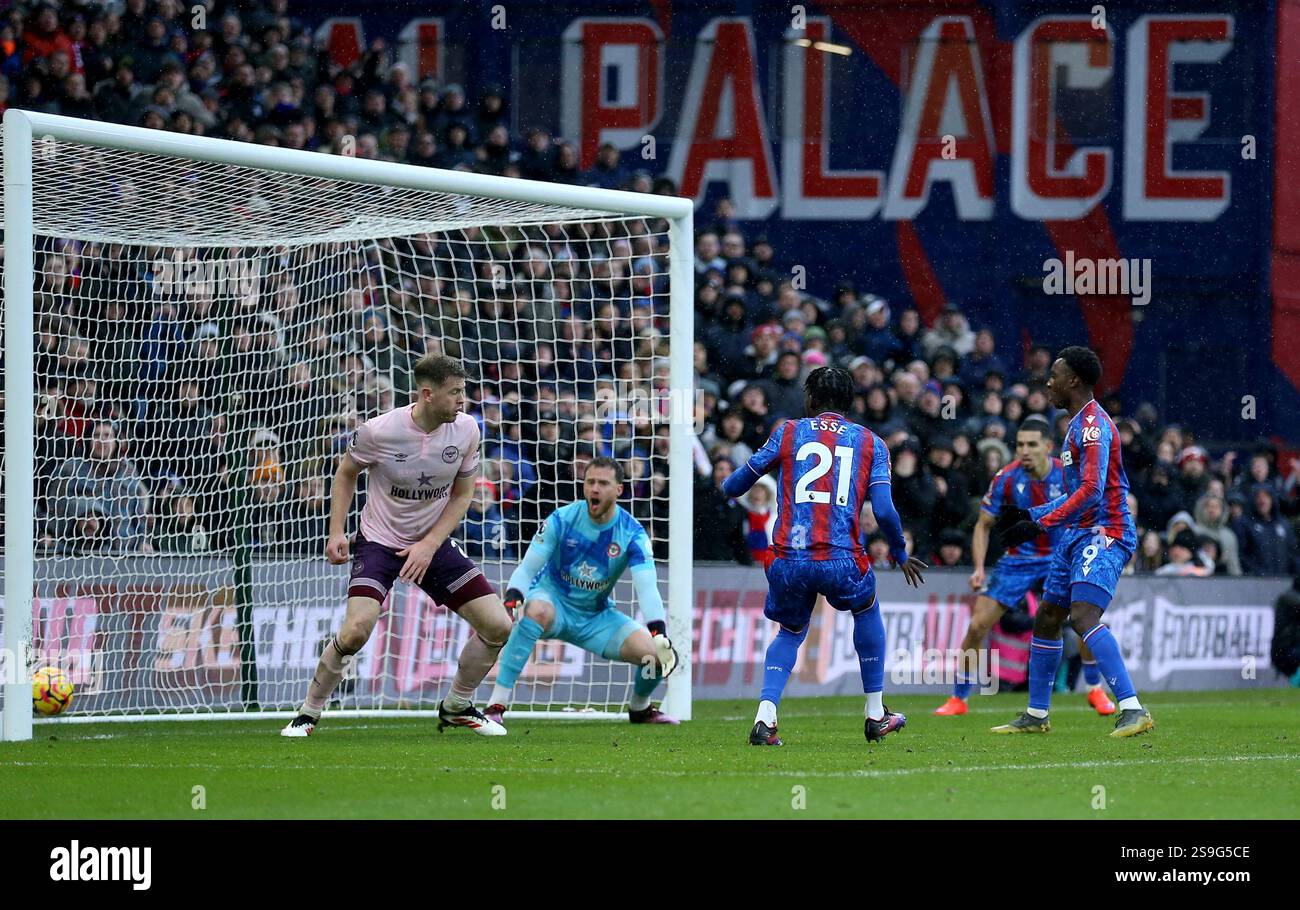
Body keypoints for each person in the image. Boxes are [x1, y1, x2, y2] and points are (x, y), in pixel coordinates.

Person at [280, 354, 513, 737]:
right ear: (427, 394)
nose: (462, 400)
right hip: (379, 542)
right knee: (355, 631)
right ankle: (308, 713)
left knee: (498, 625)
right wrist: (336, 531)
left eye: (463, 392)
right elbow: (345, 474)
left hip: (433, 544)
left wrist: (430, 544)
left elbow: (463, 494)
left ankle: (457, 706)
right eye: (454, 392)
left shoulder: (467, 430)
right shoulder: (378, 432)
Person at [721, 367, 926, 746]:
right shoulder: (871, 442)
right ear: (849, 403)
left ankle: (766, 717)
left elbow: (735, 486)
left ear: (811, 399)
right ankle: (876, 712)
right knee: (866, 610)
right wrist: (898, 551)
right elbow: (883, 509)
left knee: (790, 631)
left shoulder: (787, 431)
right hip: (841, 559)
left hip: (788, 559)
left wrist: (725, 484)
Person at [991, 346, 1153, 738]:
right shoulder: (1075, 425)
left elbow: (1093, 492)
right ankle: (1035, 714)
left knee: (1082, 617)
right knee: (1047, 616)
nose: (1049, 381)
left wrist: (1040, 523)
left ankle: (1132, 707)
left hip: (1105, 531)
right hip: (1077, 533)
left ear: (1074, 381)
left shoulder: (1094, 427)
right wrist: (1029, 515)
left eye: (1055, 375)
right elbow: (1077, 492)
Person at [933, 417, 1116, 717]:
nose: (1024, 450)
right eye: (1020, 444)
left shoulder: (1067, 474)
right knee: (978, 625)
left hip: (1063, 554)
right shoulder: (1006, 477)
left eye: (1032, 444)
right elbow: (983, 525)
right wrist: (979, 567)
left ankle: (1094, 688)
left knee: (1086, 620)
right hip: (1019, 559)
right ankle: (959, 698)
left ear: (1047, 446)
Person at [482, 457, 681, 726]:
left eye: (603, 483)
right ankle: (496, 704)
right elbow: (527, 568)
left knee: (655, 657)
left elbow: (646, 588)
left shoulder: (632, 534)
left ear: (619, 490)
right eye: (590, 482)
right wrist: (513, 597)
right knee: (535, 610)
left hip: (597, 617)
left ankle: (640, 709)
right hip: (553, 601)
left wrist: (659, 633)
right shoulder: (562, 519)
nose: (594, 489)